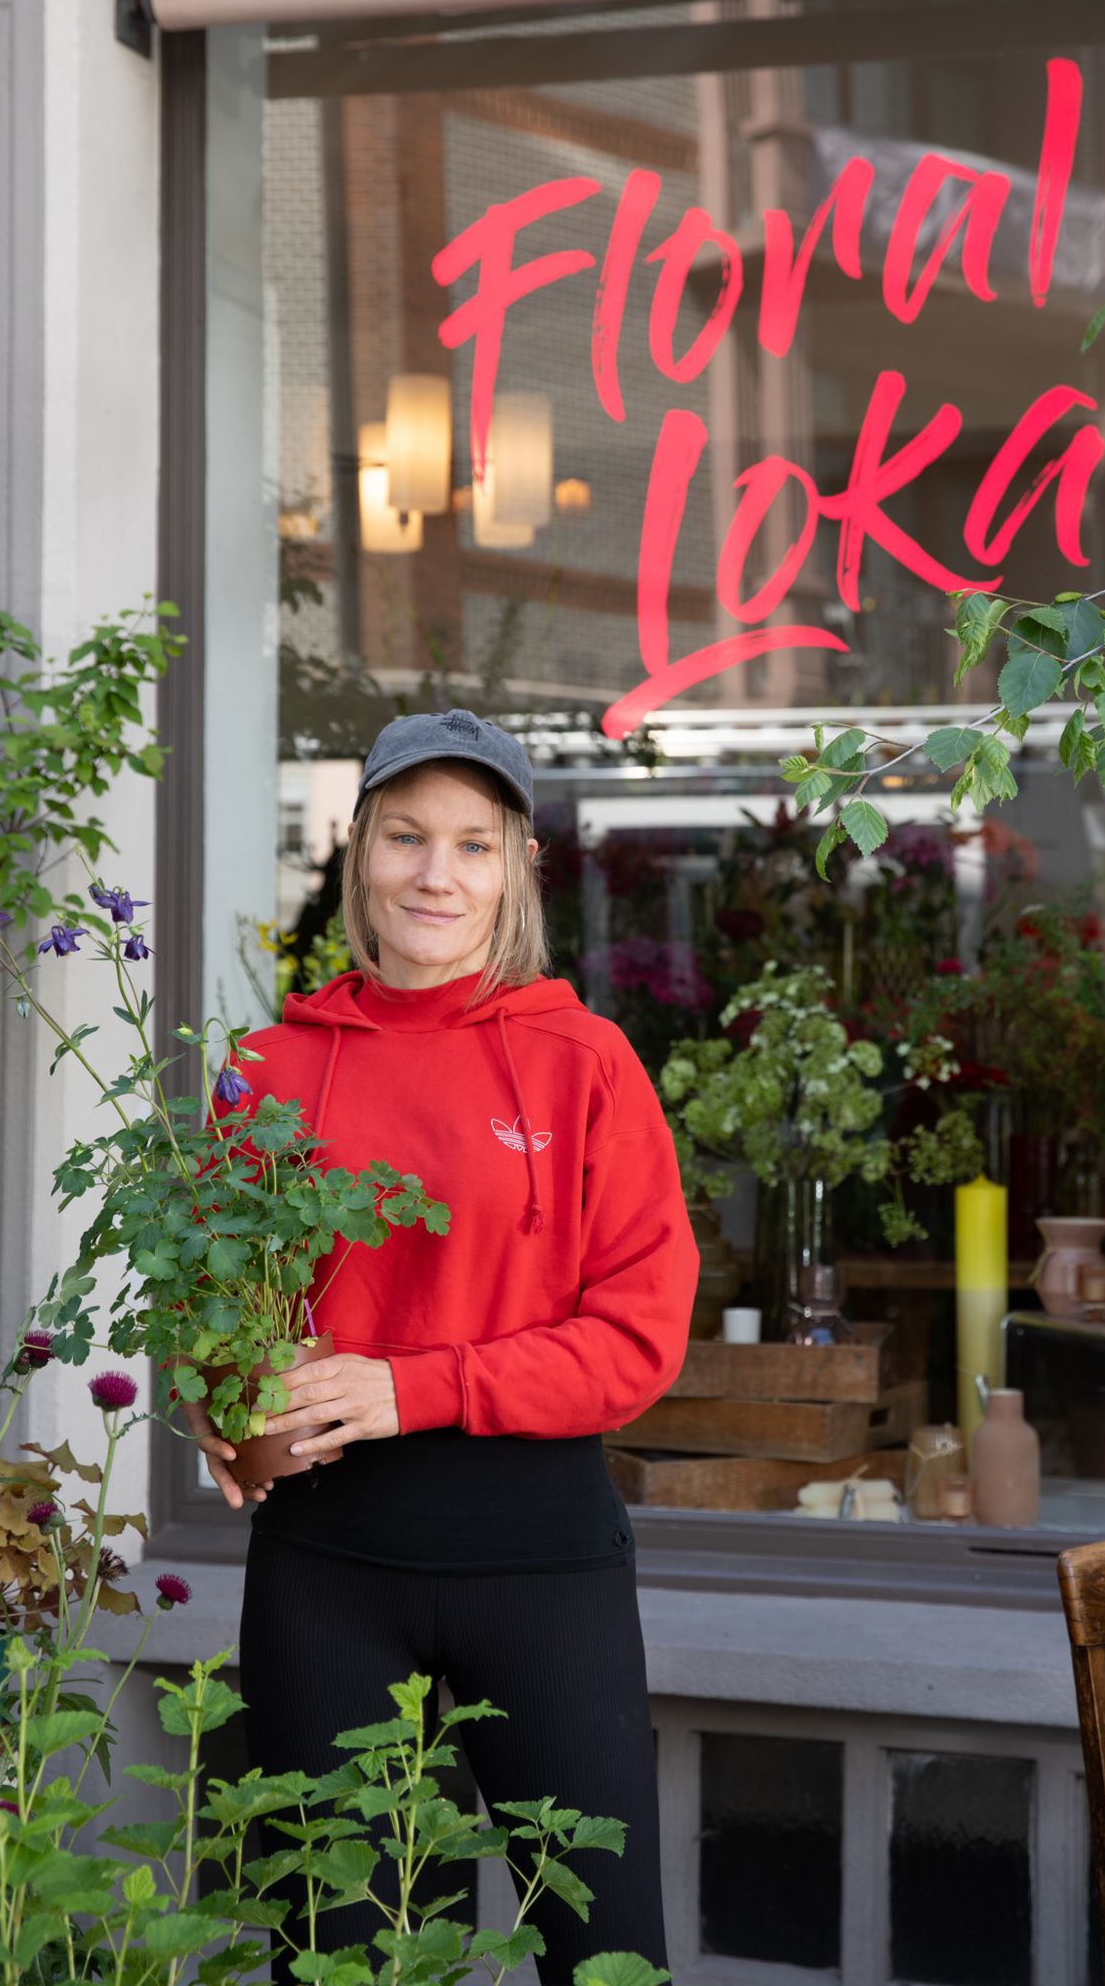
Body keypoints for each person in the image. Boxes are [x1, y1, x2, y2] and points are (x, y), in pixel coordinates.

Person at [182, 708, 698, 1982]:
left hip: (540, 1559)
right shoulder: (266, 1062)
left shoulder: (585, 1062)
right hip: (325, 1561)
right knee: (327, 1946)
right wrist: (210, 1396)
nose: (434, 872)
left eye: (472, 843)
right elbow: (214, 1291)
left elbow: (637, 1338)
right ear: (358, 848)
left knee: (607, 1948)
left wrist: (415, 1382)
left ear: (517, 861)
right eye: (406, 835)